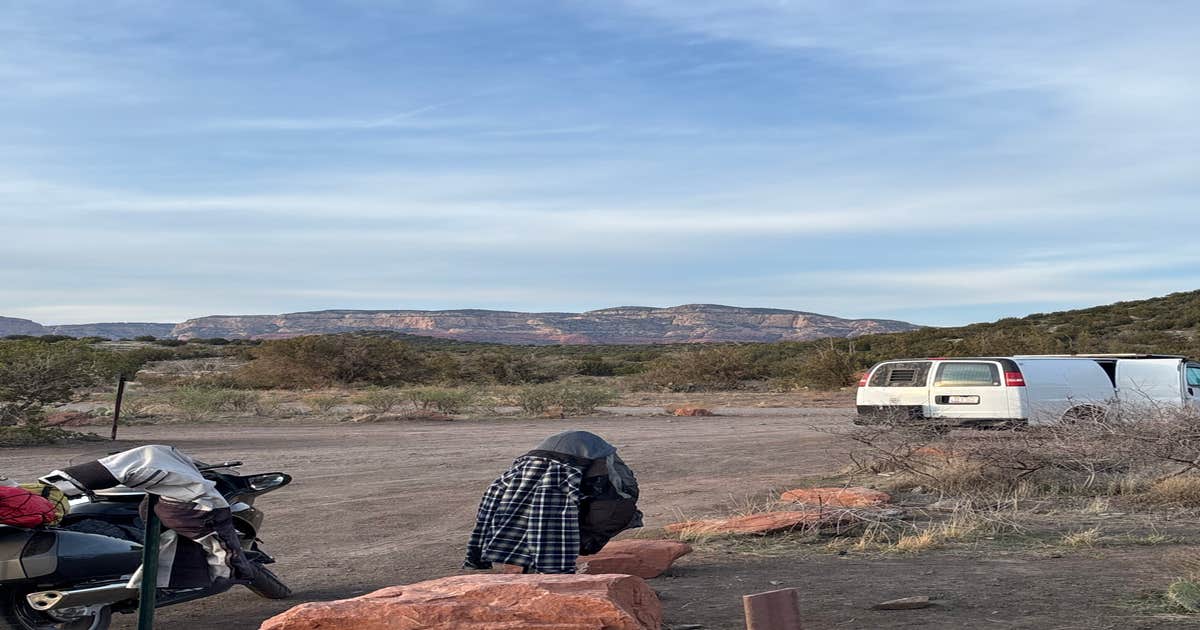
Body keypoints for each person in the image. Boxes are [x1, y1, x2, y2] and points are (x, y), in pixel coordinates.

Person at [40, 445, 257, 589]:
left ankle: (176, 578)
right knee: (223, 547)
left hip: (167, 506)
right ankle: (229, 574)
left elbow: (90, 477)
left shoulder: (139, 459)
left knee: (168, 537)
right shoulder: (159, 456)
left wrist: (62, 486)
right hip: (191, 507)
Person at [465, 430, 642, 574]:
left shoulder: (515, 478)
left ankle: (529, 562)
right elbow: (624, 489)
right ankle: (551, 566)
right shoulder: (575, 475)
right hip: (581, 515)